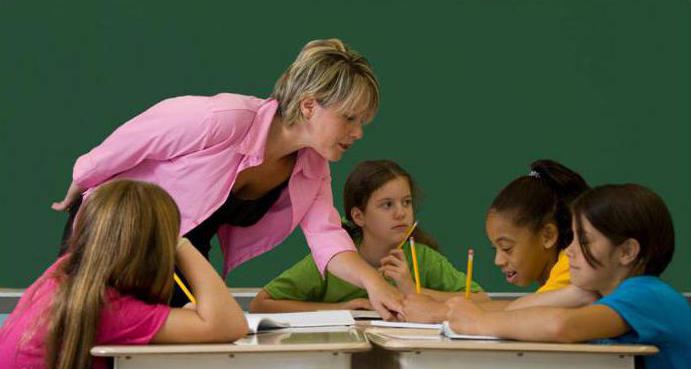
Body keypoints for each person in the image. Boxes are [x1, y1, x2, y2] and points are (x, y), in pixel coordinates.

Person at [50, 39, 402, 317]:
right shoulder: (223, 118)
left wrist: (374, 283)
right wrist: (82, 180)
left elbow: (327, 239)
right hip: (118, 232)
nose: (357, 133)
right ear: (310, 106)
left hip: (181, 252)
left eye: (362, 123)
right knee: (99, 340)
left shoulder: (312, 169)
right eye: (350, 118)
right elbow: (133, 139)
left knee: (182, 349)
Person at [0, 180, 248, 369]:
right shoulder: (110, 309)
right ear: (160, 248)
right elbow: (229, 325)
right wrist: (182, 244)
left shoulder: (63, 275)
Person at [446, 184, 691, 369]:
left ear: (627, 252)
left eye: (583, 240)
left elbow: (561, 326)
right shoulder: (607, 297)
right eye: (572, 238)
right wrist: (575, 293)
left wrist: (477, 322)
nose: (570, 250)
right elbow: (516, 310)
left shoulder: (647, 293)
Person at [250, 160, 486, 317]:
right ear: (358, 216)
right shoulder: (335, 260)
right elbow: (261, 304)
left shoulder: (422, 258)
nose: (401, 213)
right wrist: (339, 309)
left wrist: (412, 290)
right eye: (386, 205)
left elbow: (480, 300)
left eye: (407, 202)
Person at [482, 160, 594, 311]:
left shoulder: (572, 266)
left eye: (506, 248)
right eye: (495, 248)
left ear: (547, 236)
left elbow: (524, 313)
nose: (498, 261)